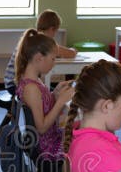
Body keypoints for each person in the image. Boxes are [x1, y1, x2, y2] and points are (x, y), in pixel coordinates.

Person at [14, 28, 76, 160]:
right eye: (53, 59)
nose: (54, 63)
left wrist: (55, 94)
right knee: (83, 141)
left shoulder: (34, 80)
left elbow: (41, 105)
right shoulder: (31, 88)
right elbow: (41, 128)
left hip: (50, 139)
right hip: (47, 148)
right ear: (39, 58)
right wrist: (60, 102)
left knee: (81, 131)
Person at [4, 9, 78, 93]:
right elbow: (70, 54)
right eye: (56, 31)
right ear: (52, 29)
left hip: (10, 81)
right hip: (17, 85)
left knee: (52, 92)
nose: (54, 35)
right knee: (57, 94)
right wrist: (73, 50)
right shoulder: (43, 42)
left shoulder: (32, 38)